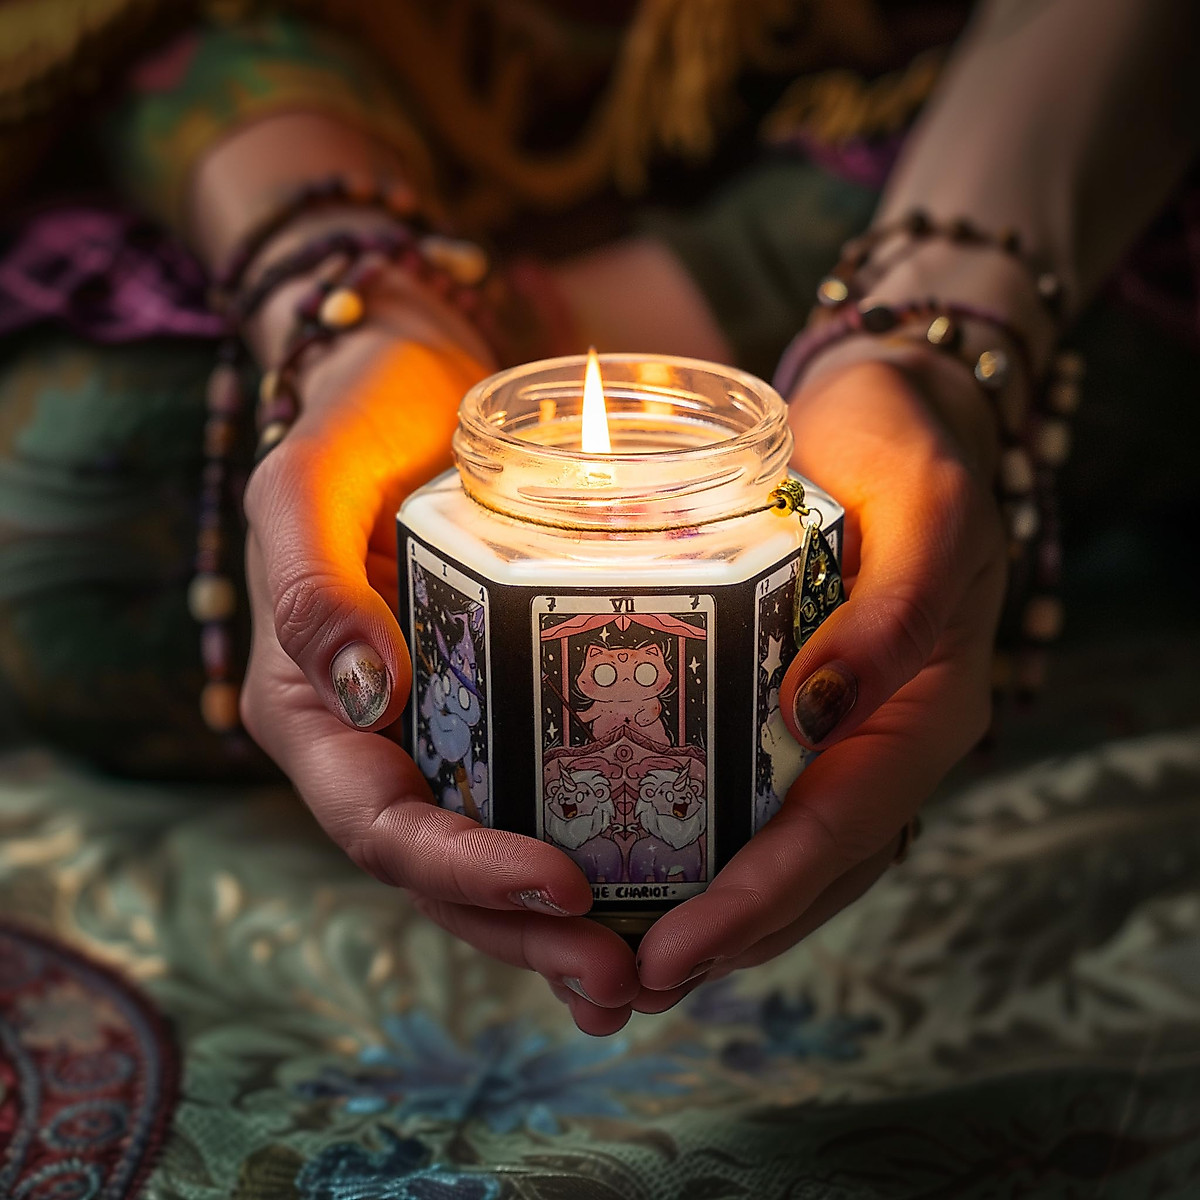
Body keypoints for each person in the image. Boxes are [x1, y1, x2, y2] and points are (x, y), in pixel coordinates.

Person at [0, 0, 1196, 1037]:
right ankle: (469, 318)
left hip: (906, 134)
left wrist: (928, 352)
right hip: (383, 116)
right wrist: (353, 305)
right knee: (80, 500)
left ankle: (673, 332)